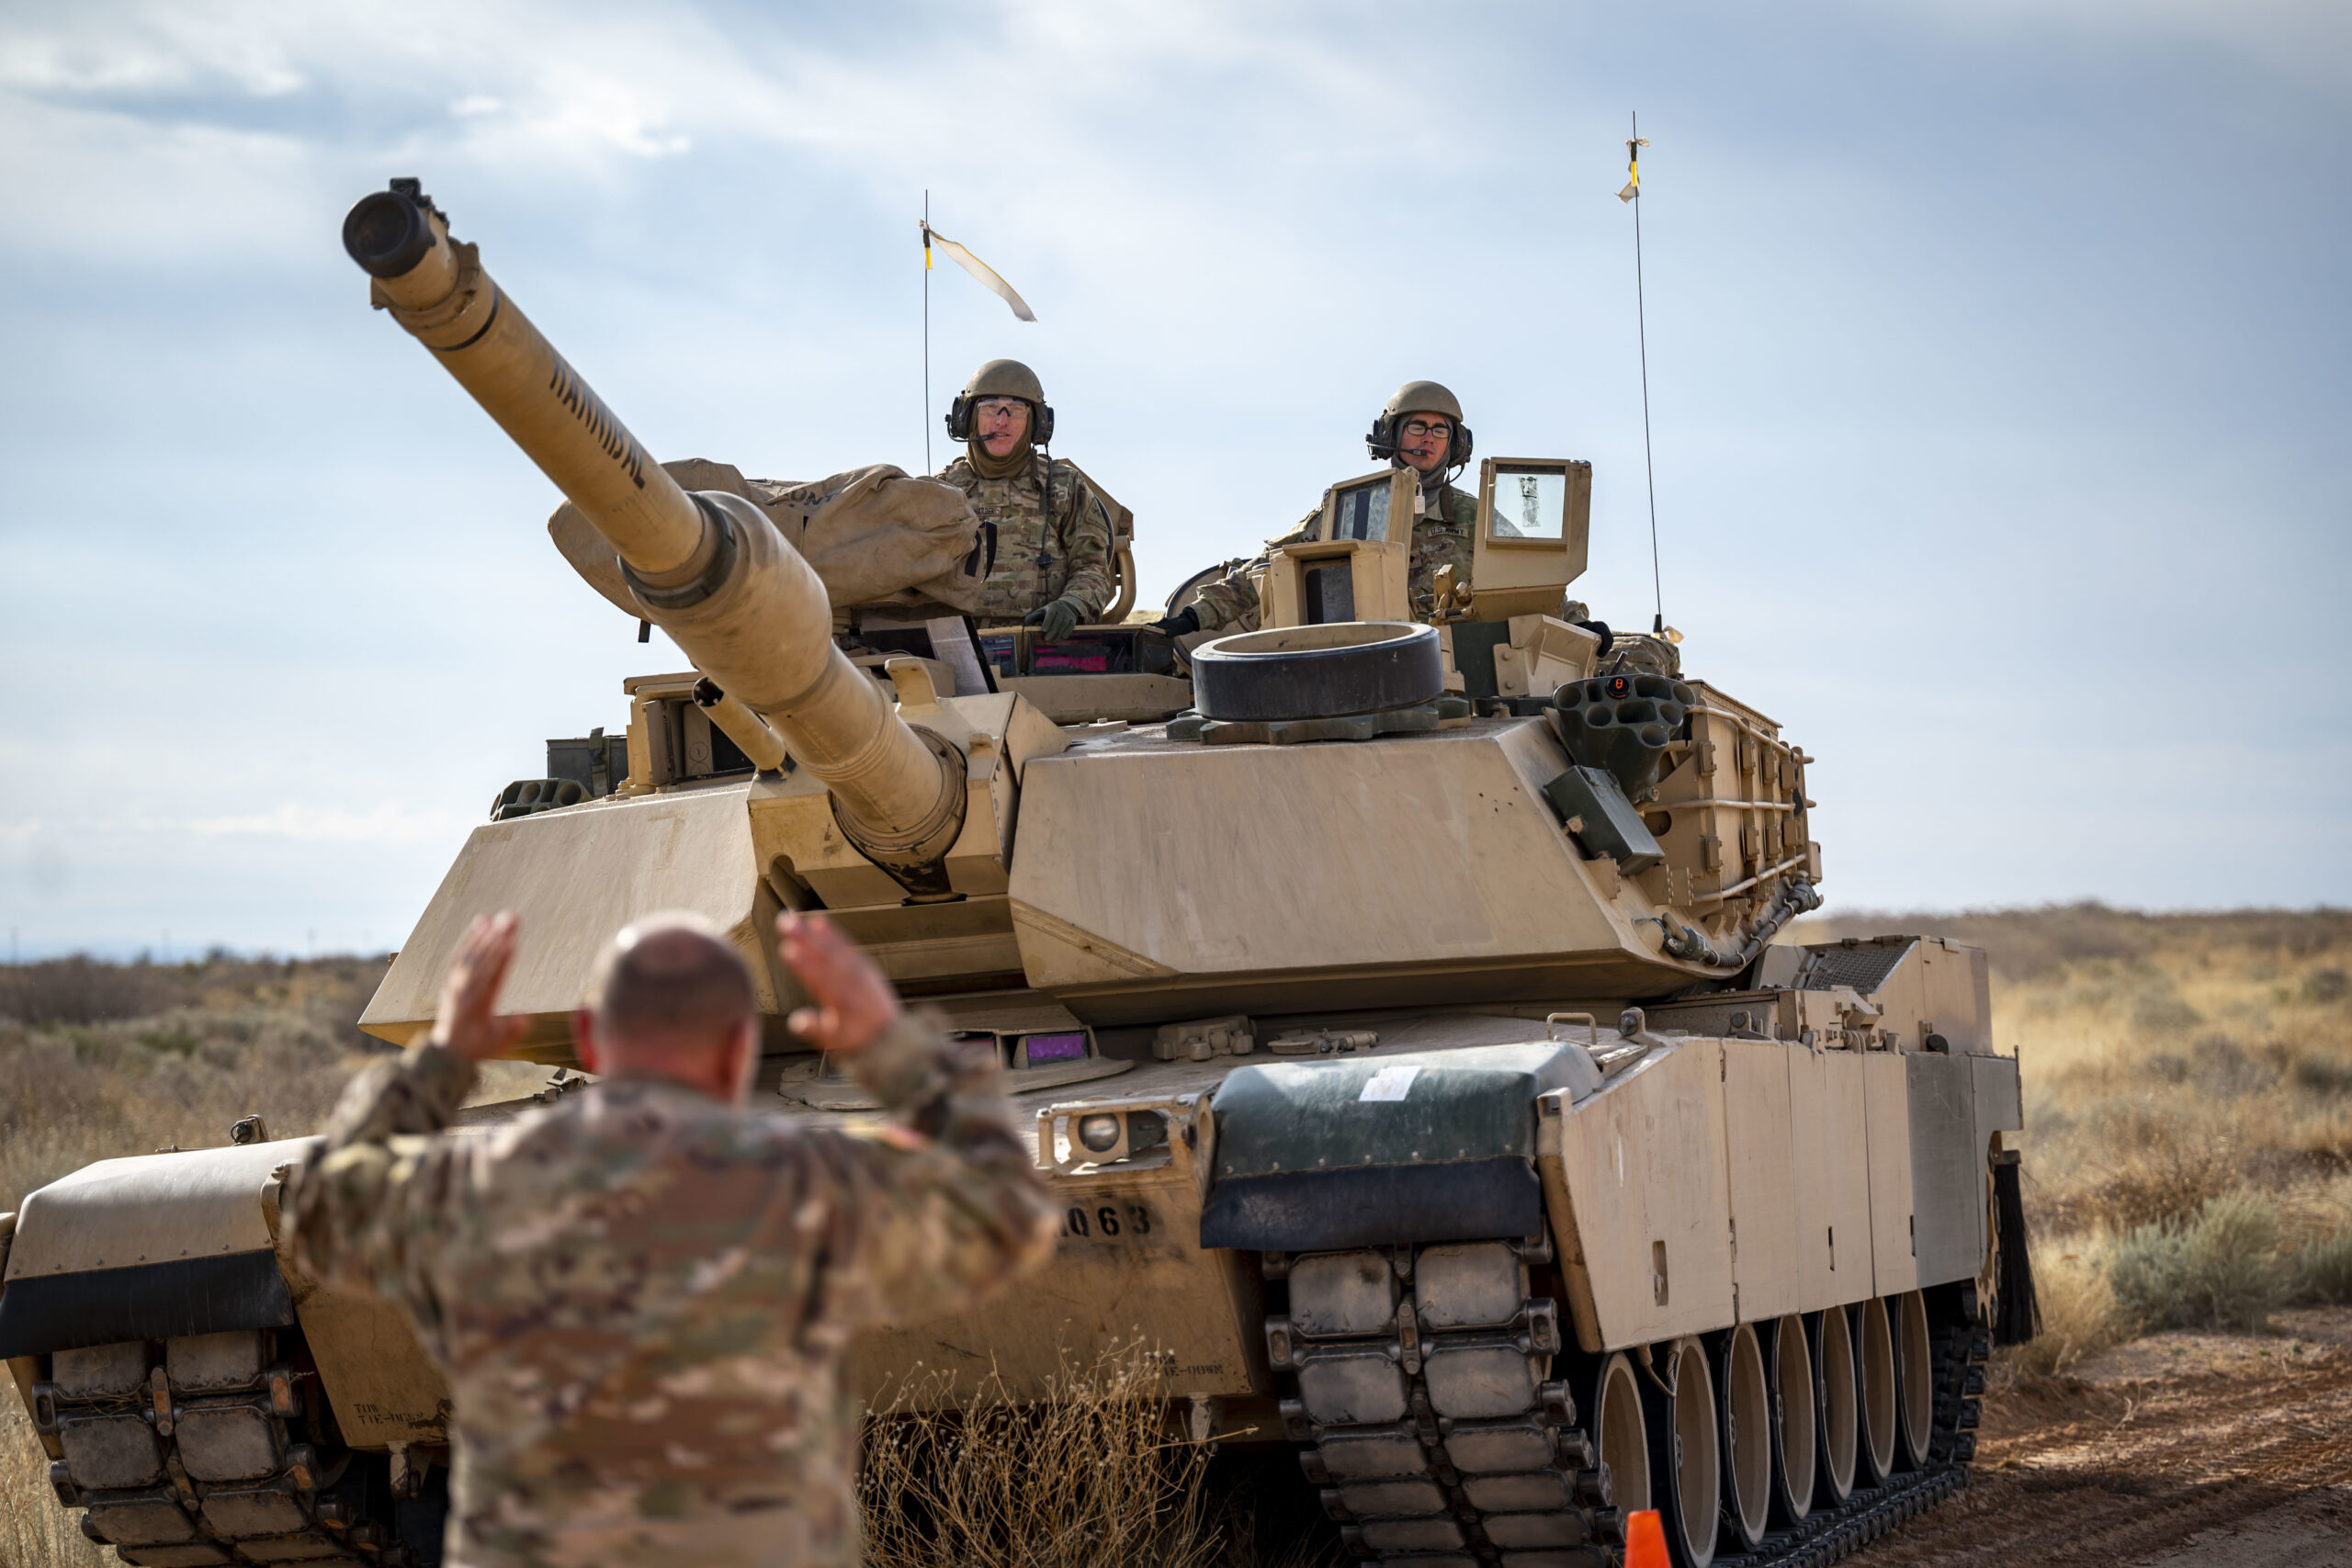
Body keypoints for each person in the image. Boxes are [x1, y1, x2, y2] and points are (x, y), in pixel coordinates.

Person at [282, 908, 1058, 1568]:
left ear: (587, 1039)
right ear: (738, 1049)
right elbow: (1007, 1207)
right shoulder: (811, 1180)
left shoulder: (476, 1181)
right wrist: (895, 1048)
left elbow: (316, 1213)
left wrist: (441, 1060)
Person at [1161, 379, 1478, 636]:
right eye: (1418, 427)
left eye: (1440, 430)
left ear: (1456, 443)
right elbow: (1270, 566)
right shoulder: (1350, 509)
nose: (1429, 439)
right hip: (1367, 655)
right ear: (1391, 434)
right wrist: (1193, 617)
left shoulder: (1475, 518)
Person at [936, 358, 1119, 642]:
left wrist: (1072, 604)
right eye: (990, 409)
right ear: (967, 417)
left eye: (1016, 411)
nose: (1002, 421)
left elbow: (1093, 567)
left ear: (1036, 424)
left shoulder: (1062, 486)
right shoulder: (939, 492)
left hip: (1045, 645)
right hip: (958, 647)